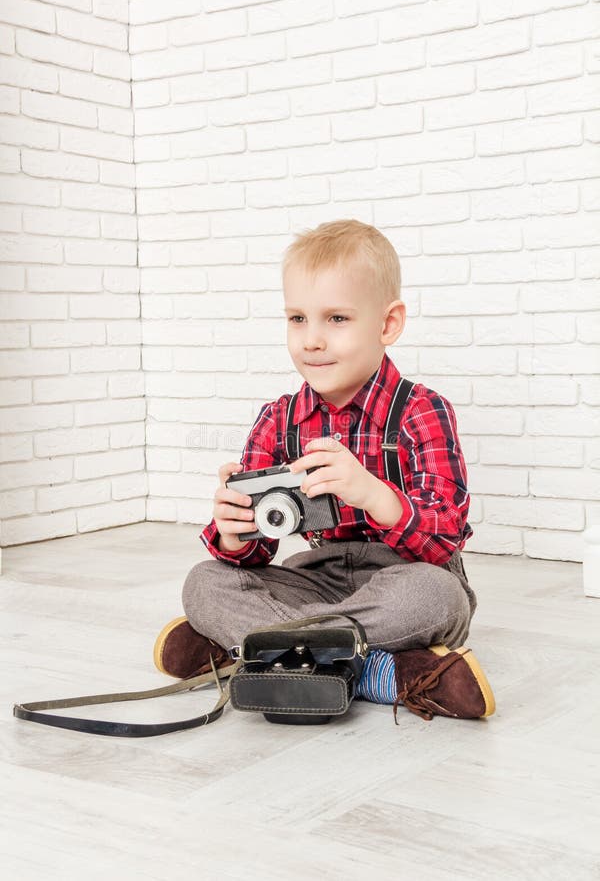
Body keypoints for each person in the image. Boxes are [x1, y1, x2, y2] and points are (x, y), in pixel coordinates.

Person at [153, 220, 495, 722]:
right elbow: (257, 553)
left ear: (388, 324)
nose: (312, 340)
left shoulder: (421, 411)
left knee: (435, 598)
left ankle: (254, 653)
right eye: (297, 318)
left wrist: (374, 494)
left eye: (336, 318)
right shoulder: (278, 420)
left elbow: (444, 538)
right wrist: (233, 535)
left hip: (405, 575)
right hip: (317, 578)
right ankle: (380, 670)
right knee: (204, 582)